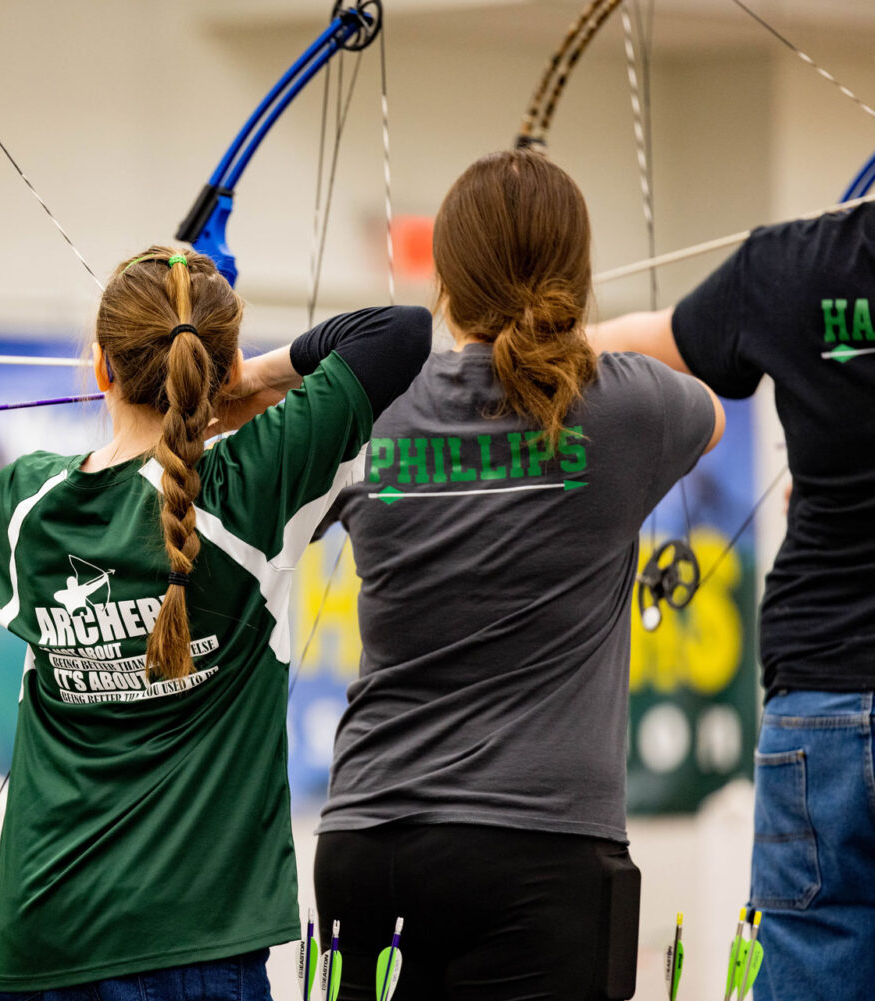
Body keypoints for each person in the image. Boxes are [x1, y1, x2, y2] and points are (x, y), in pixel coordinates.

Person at [0, 246, 431, 1000]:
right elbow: (401, 332)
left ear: (101, 368)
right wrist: (253, 378)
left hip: (40, 947)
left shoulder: (31, 506)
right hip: (196, 946)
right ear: (212, 374)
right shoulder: (248, 484)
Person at [303, 151, 724, 1000]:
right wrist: (567, 344)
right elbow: (713, 412)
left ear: (447, 281)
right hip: (539, 855)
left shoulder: (368, 411)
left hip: (368, 844)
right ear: (575, 277)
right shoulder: (625, 406)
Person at [591, 201, 875, 1001]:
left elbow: (637, 344)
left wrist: (488, 352)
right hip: (814, 695)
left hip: (819, 701)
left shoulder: (796, 262)